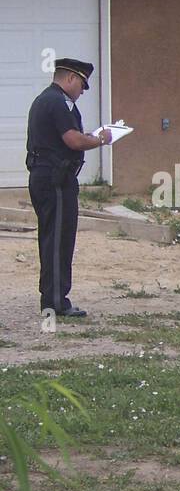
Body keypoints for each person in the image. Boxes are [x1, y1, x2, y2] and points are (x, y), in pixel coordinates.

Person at [26, 58, 111, 318]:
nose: (83, 91)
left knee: (55, 237)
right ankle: (55, 301)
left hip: (50, 177)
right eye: (82, 85)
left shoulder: (49, 100)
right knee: (57, 240)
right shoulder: (57, 101)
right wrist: (100, 139)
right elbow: (72, 140)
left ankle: (54, 296)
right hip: (54, 180)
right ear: (71, 78)